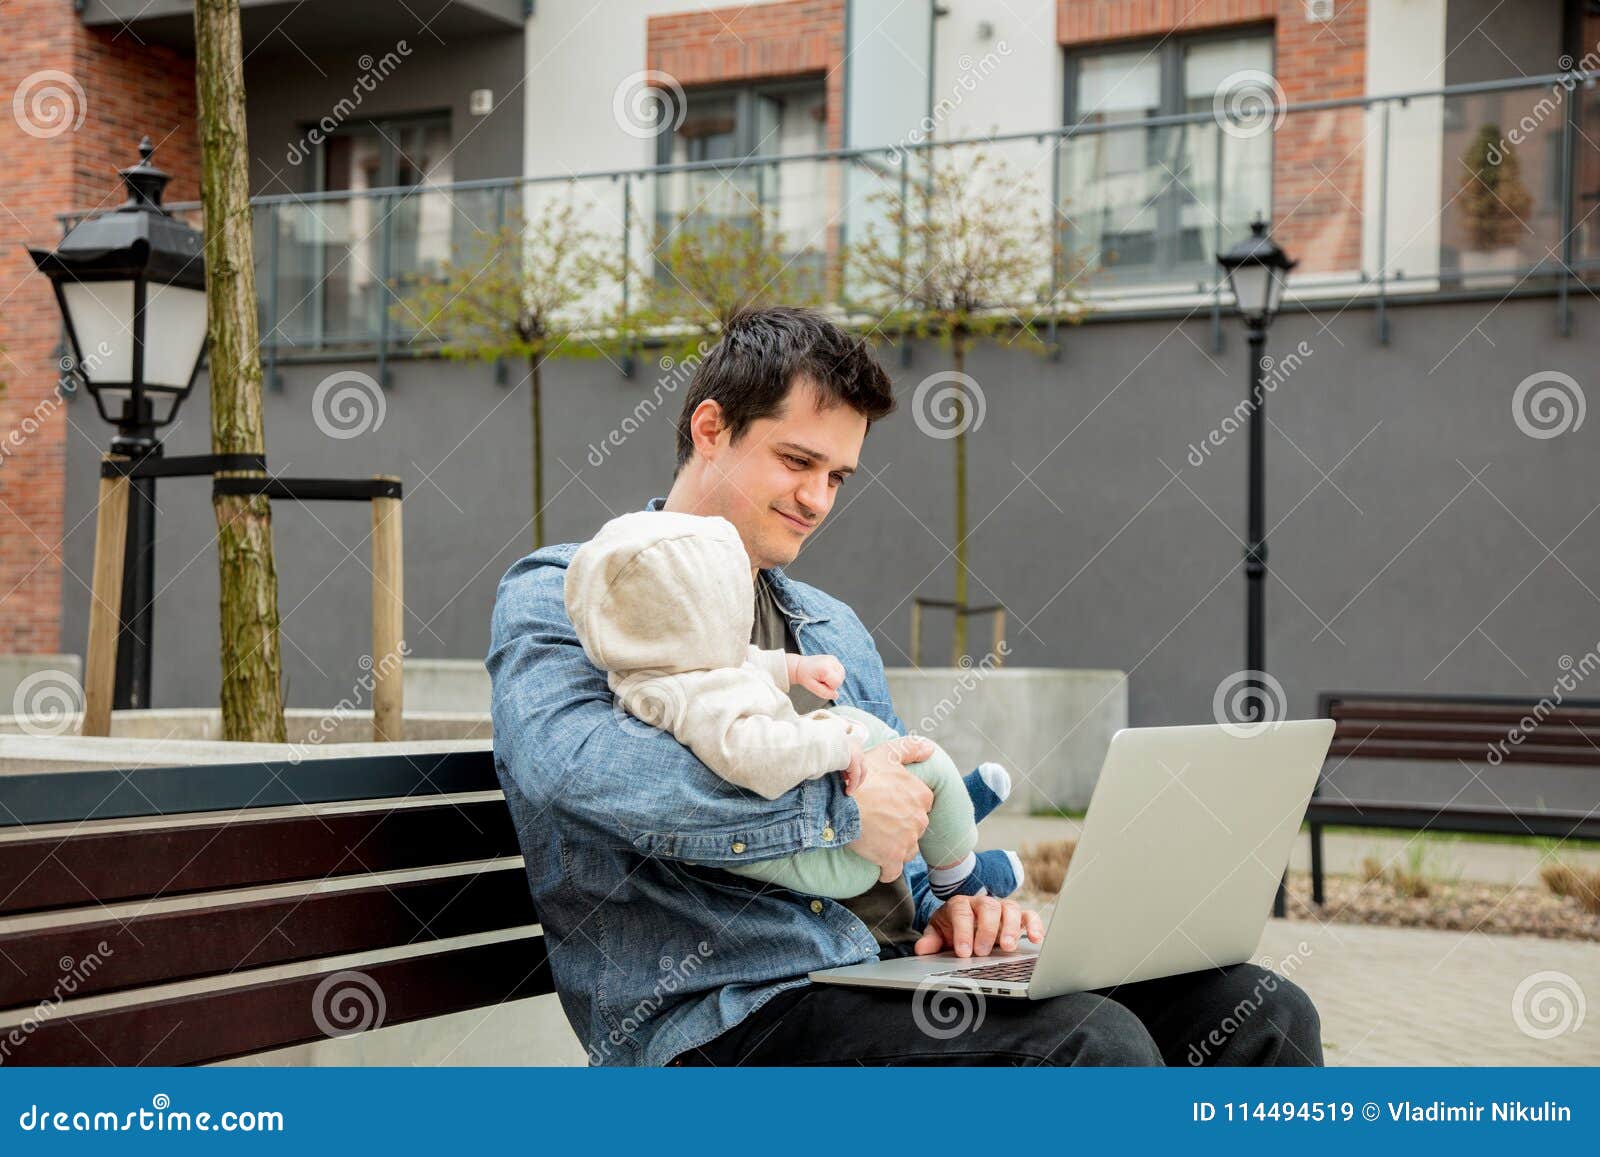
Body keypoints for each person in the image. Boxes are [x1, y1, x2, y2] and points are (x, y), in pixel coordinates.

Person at [487, 306, 1323, 1067]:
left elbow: (902, 850)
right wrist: (837, 811)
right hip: (721, 1019)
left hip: (877, 976)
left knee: (1262, 1009)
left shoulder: (829, 627)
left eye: (838, 476)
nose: (817, 499)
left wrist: (957, 909)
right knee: (1087, 1051)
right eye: (796, 461)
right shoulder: (572, 593)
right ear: (711, 428)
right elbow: (578, 770)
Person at [563, 507, 1000, 901]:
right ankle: (958, 869)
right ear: (696, 615)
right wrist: (832, 744)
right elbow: (751, 754)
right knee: (911, 752)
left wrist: (789, 668)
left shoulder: (659, 667)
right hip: (821, 858)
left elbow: (734, 665)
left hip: (809, 833)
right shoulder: (701, 699)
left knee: (862, 729)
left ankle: (940, 816)